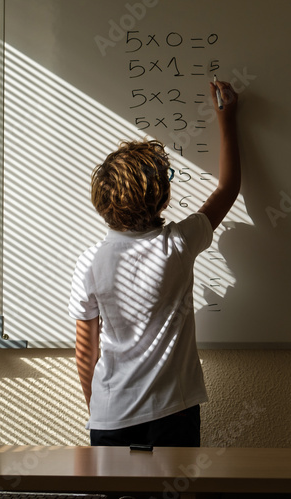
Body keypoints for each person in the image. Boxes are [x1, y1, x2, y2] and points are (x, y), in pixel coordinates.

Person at [69, 79, 240, 446]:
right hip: (173, 413)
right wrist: (227, 122)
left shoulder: (89, 263)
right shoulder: (178, 243)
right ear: (161, 199)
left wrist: (100, 408)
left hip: (110, 414)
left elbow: (87, 353)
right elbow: (228, 188)